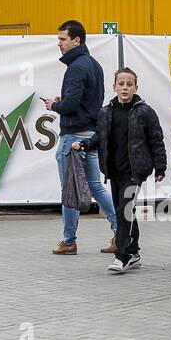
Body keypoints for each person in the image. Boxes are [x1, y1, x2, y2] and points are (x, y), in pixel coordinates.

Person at [73, 67, 166, 274]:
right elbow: (99, 137)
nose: (125, 87)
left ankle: (121, 256)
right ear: (114, 86)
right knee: (124, 210)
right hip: (113, 171)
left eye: (129, 84)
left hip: (135, 171)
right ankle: (133, 253)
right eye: (121, 83)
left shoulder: (145, 112)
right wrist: (85, 144)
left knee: (124, 211)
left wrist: (161, 167)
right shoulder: (106, 112)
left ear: (136, 87)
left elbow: (156, 141)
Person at [44, 20, 116, 255]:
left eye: (63, 39)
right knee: (95, 187)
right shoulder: (93, 64)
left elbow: (71, 105)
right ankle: (122, 231)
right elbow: (85, 101)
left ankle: (69, 240)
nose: (59, 44)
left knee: (70, 189)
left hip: (74, 136)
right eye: (59, 40)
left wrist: (55, 104)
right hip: (91, 133)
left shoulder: (76, 67)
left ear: (77, 40)